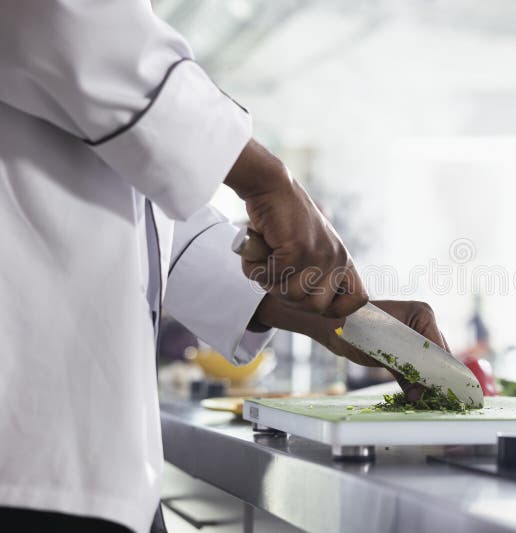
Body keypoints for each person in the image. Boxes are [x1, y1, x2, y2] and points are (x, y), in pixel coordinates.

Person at [0, 2, 449, 532]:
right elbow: (62, 17)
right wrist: (266, 179)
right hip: (31, 463)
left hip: (97, 469)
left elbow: (151, 234)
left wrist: (334, 321)